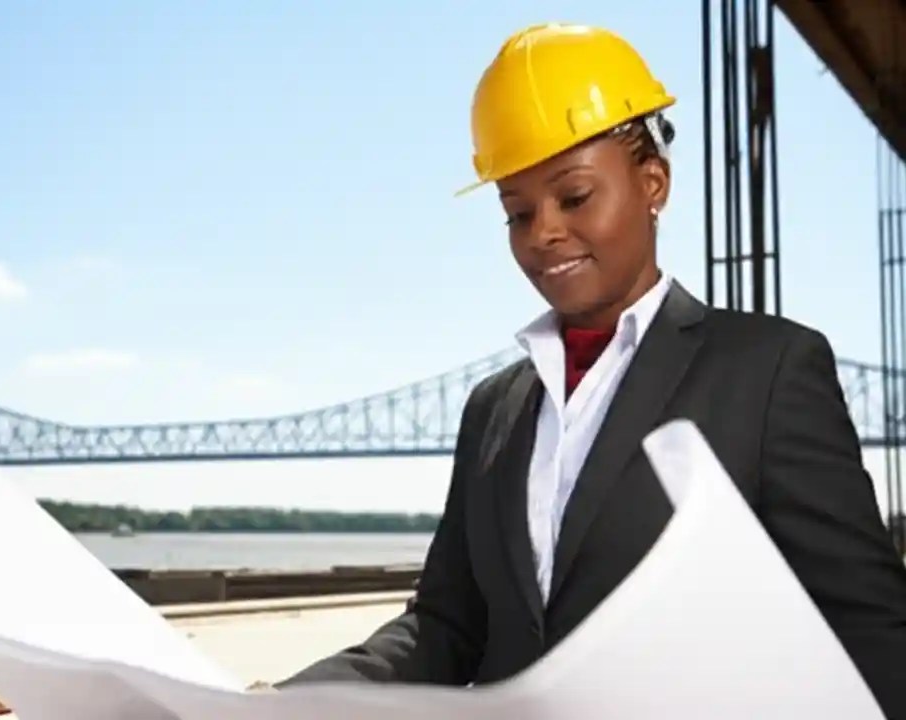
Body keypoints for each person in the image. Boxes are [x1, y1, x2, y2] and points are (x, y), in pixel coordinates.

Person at [274, 22, 906, 716]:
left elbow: (870, 634)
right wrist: (280, 704)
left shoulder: (770, 373)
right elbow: (446, 627)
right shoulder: (492, 410)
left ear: (653, 183)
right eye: (517, 212)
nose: (543, 231)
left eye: (573, 197)